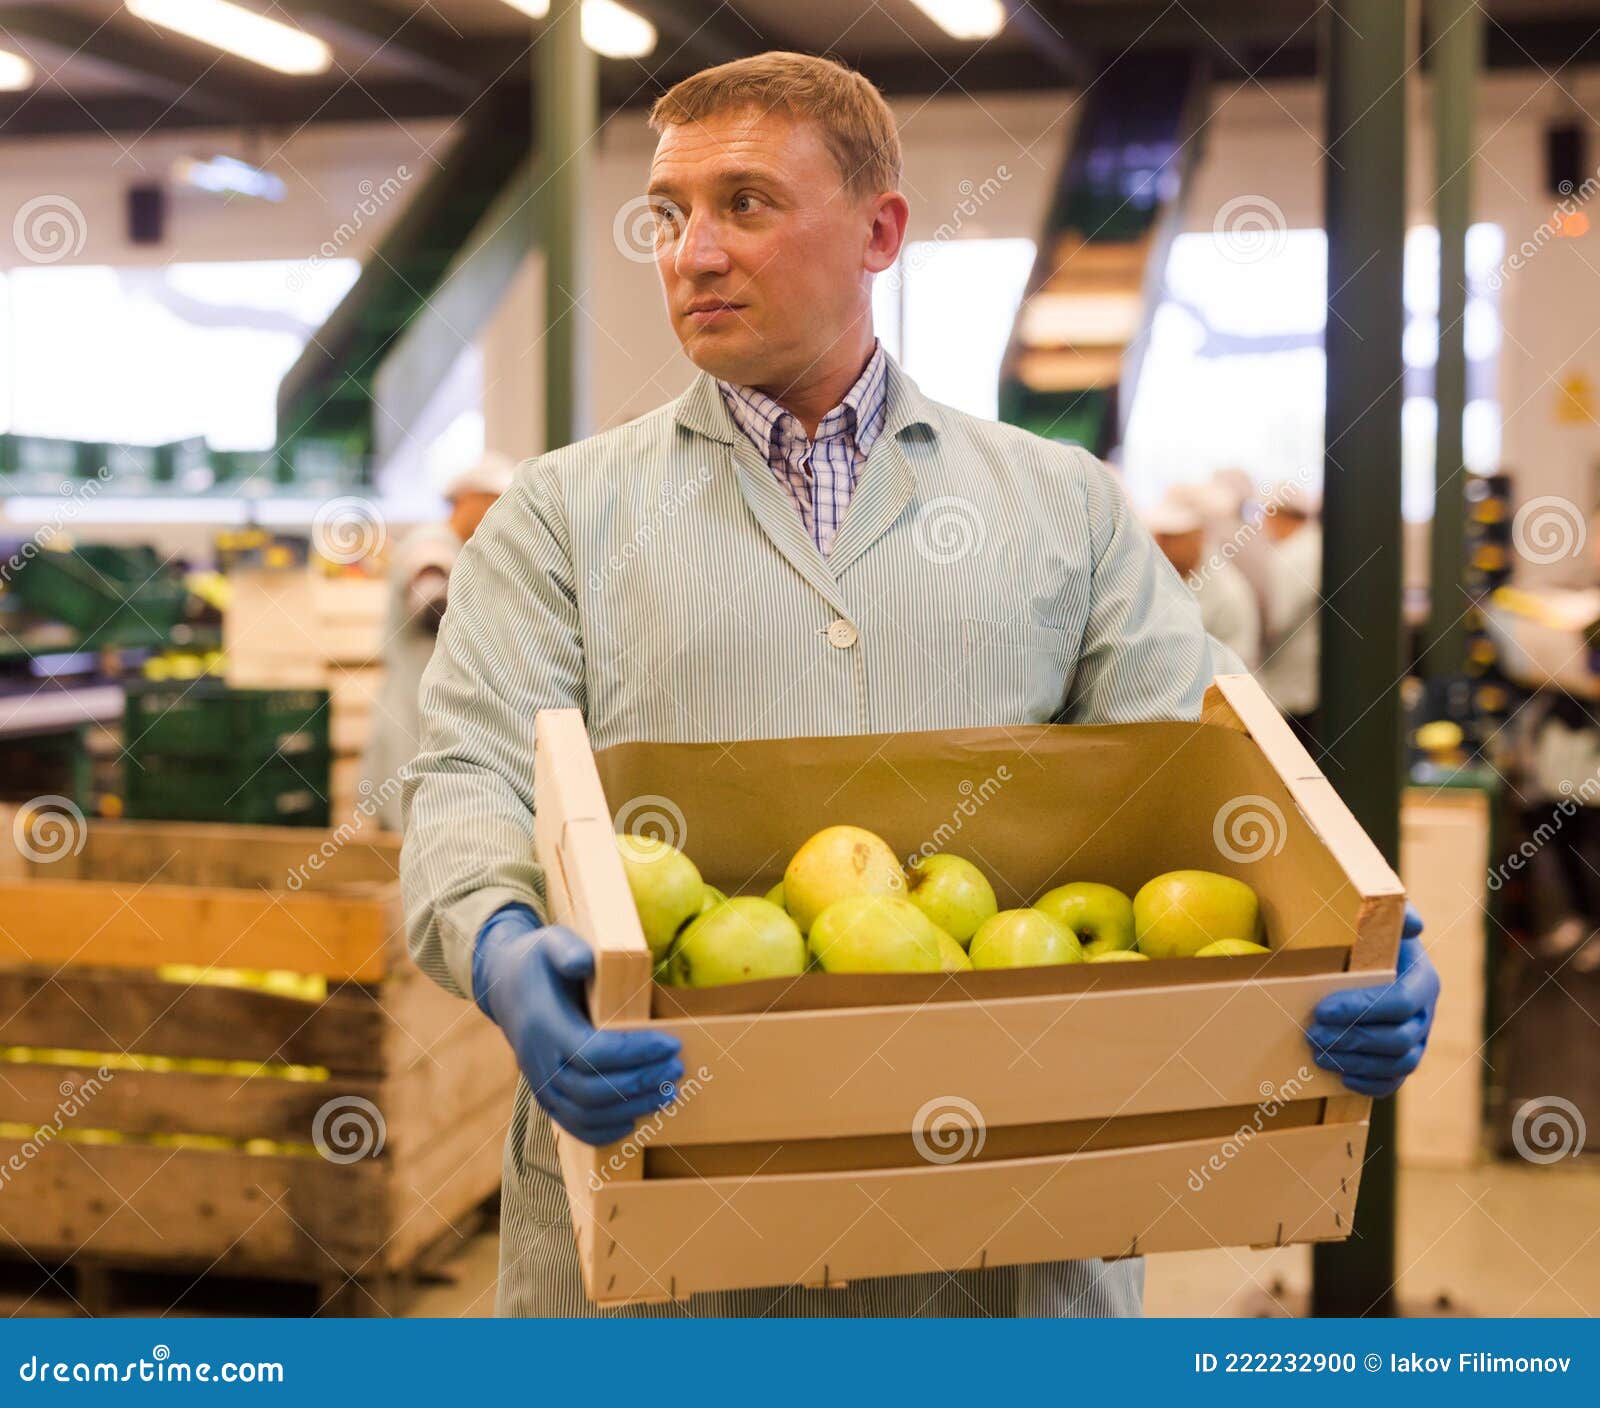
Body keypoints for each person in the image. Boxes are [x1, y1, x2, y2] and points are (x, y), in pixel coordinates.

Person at [400, 52, 1437, 1319]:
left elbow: (1215, 768)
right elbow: (468, 779)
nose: (691, 254)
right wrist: (503, 947)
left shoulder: (1060, 509)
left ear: (879, 230)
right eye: (669, 215)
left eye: (745, 204)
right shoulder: (559, 517)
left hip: (1006, 1230)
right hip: (663, 1219)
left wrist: (1364, 933)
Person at [360, 453, 514, 828]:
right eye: (494, 502)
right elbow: (430, 605)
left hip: (428, 710)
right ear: (470, 498)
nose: (500, 512)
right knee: (413, 826)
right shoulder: (433, 545)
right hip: (415, 710)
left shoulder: (461, 549)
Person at [1144, 489, 1261, 669]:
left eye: (1171, 538)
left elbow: (1233, 675)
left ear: (1198, 536)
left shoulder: (1228, 595)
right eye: (1159, 535)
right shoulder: (1158, 575)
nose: (1161, 544)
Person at [1256, 481, 1323, 748]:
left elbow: (1277, 619)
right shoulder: (1311, 546)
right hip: (1300, 674)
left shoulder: (1296, 554)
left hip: (1294, 681)